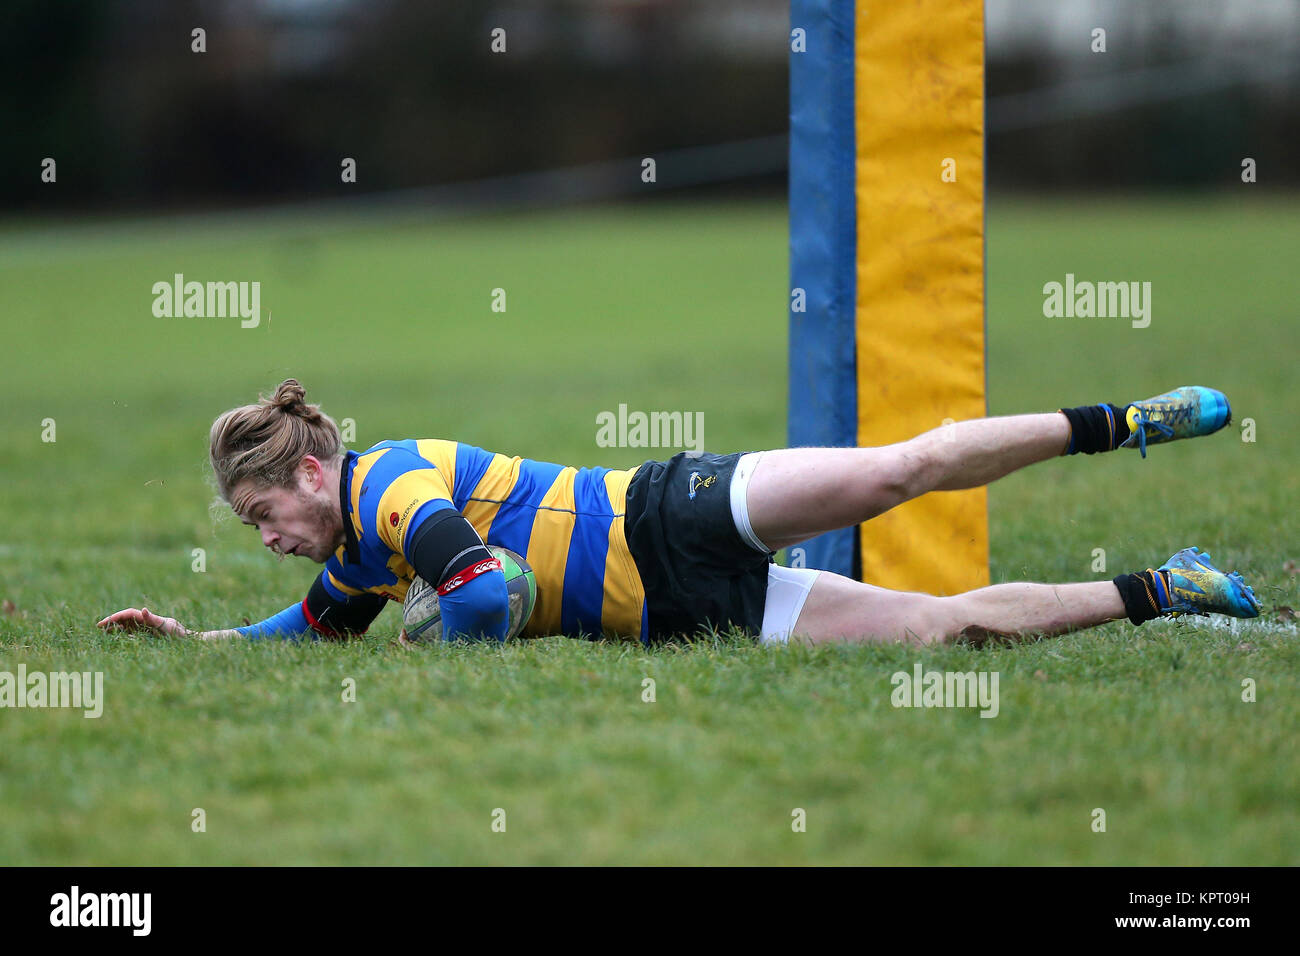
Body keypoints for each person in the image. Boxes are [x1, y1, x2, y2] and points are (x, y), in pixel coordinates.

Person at [98, 379, 1260, 647]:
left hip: (673, 517)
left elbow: (487, 593)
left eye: (261, 510)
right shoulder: (355, 548)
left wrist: (438, 646)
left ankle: (1125, 421)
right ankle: (1168, 586)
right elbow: (310, 630)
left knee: (897, 470)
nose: (266, 537)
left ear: (309, 473)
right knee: (937, 630)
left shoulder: (392, 487)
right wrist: (198, 642)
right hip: (682, 614)